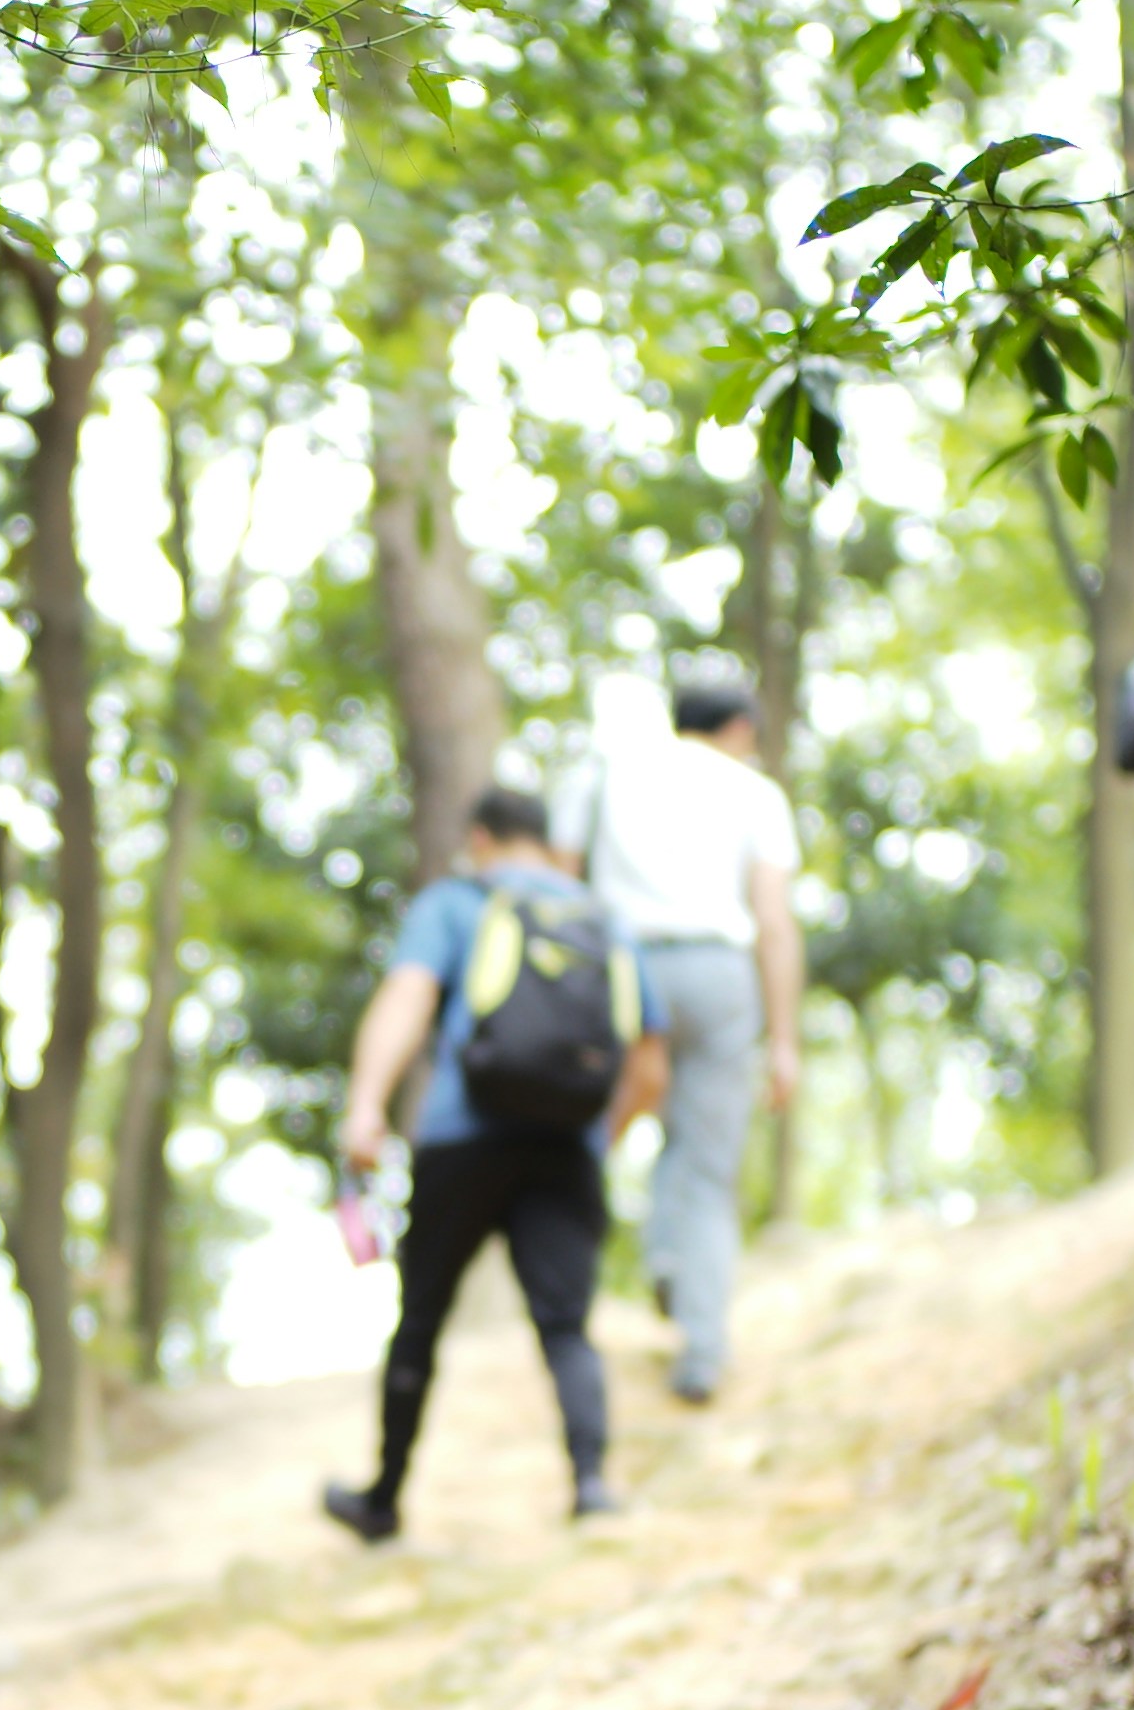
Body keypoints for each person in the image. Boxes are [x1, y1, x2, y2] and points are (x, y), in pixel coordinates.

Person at [321, 787, 669, 1543]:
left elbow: (408, 998)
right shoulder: (604, 920)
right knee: (567, 1326)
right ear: (544, 841)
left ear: (480, 838)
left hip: (462, 1135)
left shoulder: (456, 902)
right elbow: (648, 1068)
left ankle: (383, 1501)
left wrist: (366, 1106)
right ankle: (592, 1485)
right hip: (567, 1147)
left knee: (419, 1322)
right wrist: (597, 1139)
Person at [555, 659, 807, 1406]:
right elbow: (774, 921)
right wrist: (784, 1037)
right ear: (739, 729)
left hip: (619, 970)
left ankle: (655, 1262)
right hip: (717, 974)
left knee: (611, 1133)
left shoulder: (601, 776)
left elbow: (566, 890)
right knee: (705, 1160)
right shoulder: (753, 792)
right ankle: (701, 1342)